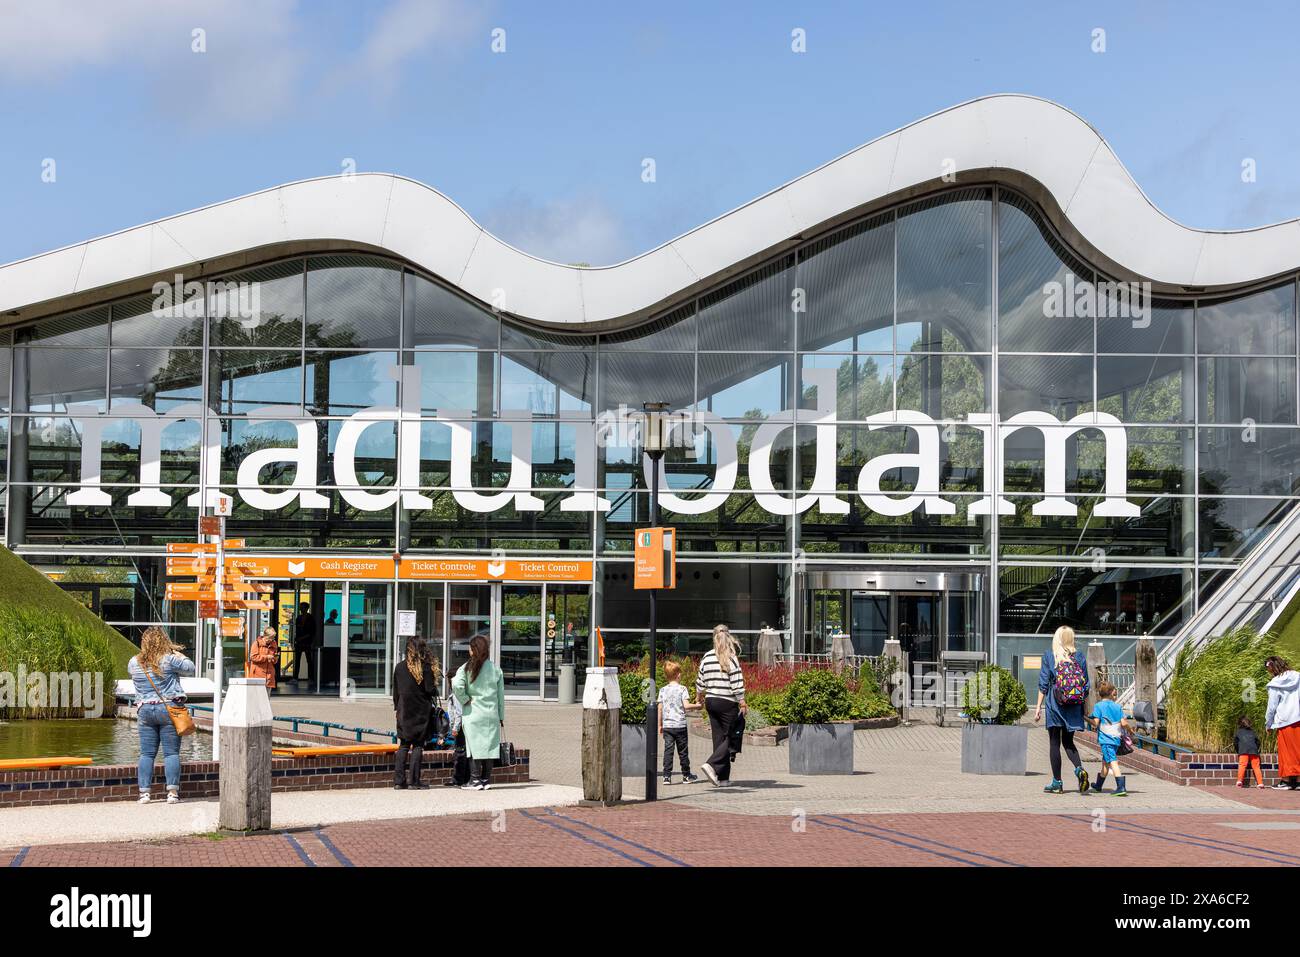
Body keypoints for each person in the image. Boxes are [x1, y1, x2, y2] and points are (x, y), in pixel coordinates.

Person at [128, 626, 195, 805]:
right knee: (171, 753)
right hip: (169, 709)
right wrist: (178, 654)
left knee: (147, 754)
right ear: (163, 642)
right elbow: (190, 668)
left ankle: (144, 794)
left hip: (145, 711)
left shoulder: (134, 662)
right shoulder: (169, 660)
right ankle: (172, 793)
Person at [1033, 625, 1091, 794]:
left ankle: (1057, 783)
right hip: (1073, 706)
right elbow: (1085, 686)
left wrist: (1037, 708)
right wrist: (1082, 706)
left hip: (1055, 704)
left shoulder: (1050, 656)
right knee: (1068, 741)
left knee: (1054, 743)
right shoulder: (1079, 656)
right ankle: (1080, 770)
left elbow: (1043, 684)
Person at [451, 633, 505, 791]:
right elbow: (500, 697)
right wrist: (501, 716)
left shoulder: (466, 668)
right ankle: (486, 780)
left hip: (473, 712)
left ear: (473, 650)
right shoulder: (495, 669)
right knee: (490, 747)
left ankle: (474, 780)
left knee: (474, 746)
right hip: (491, 713)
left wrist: (465, 699)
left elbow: (456, 685)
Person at [696, 623, 746, 788]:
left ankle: (722, 777)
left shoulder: (707, 656)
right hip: (727, 702)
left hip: (711, 701)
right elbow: (737, 682)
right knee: (731, 738)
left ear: (714, 637)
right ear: (728, 637)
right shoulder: (731, 657)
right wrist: (742, 701)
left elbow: (700, 680)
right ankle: (711, 765)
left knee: (719, 739)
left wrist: (699, 697)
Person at [393, 637, 440, 790]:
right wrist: (435, 687)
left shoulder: (399, 667)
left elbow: (396, 692)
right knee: (418, 745)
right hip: (420, 711)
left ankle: (399, 781)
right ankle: (414, 781)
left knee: (404, 745)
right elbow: (429, 689)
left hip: (403, 710)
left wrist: (397, 708)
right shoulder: (425, 668)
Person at [659, 660, 700, 785]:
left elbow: (660, 708)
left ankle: (666, 776)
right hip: (680, 726)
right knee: (683, 751)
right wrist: (697, 706)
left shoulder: (662, 690)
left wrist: (660, 725)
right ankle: (686, 776)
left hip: (668, 726)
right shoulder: (682, 689)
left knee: (668, 751)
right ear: (677, 675)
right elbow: (686, 706)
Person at [1087, 680, 1129, 796]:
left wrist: (1086, 718)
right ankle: (1098, 786)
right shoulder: (1117, 706)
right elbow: (1124, 723)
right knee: (1105, 763)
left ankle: (1121, 787)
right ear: (1111, 693)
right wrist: (1130, 731)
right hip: (1116, 739)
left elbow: (1095, 723)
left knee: (1112, 762)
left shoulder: (1098, 706)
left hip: (1106, 740)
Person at [1265, 655, 1300, 790]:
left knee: (1286, 752)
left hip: (1285, 721)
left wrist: (1268, 723)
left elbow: (1272, 707)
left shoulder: (1275, 683)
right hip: (1298, 718)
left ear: (1273, 668)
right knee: (1298, 751)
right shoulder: (1298, 676)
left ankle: (1285, 781)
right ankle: (1298, 781)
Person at [1235, 716, 1266, 789]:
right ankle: (1260, 783)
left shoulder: (1238, 732)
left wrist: (1238, 751)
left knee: (1242, 765)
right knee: (1256, 767)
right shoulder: (1253, 732)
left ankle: (1239, 781)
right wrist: (1256, 749)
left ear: (1239, 724)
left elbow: (1235, 743)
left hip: (1243, 751)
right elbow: (1258, 742)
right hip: (1254, 751)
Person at [247, 626, 279, 692]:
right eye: (270, 638)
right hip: (258, 674)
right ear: (265, 636)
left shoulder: (274, 644)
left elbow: (275, 660)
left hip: (269, 675)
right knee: (257, 697)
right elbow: (253, 657)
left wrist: (274, 658)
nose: (271, 640)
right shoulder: (257, 643)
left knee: (267, 698)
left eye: (273, 638)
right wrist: (267, 657)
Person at [293, 602, 317, 680]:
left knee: (309, 660)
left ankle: (311, 677)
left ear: (307, 608)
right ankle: (295, 677)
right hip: (299, 642)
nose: (300, 609)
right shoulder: (298, 618)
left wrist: (302, 638)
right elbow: (297, 629)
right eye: (300, 607)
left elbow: (312, 632)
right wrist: (297, 639)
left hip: (307, 642)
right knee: (297, 660)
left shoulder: (310, 618)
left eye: (302, 607)